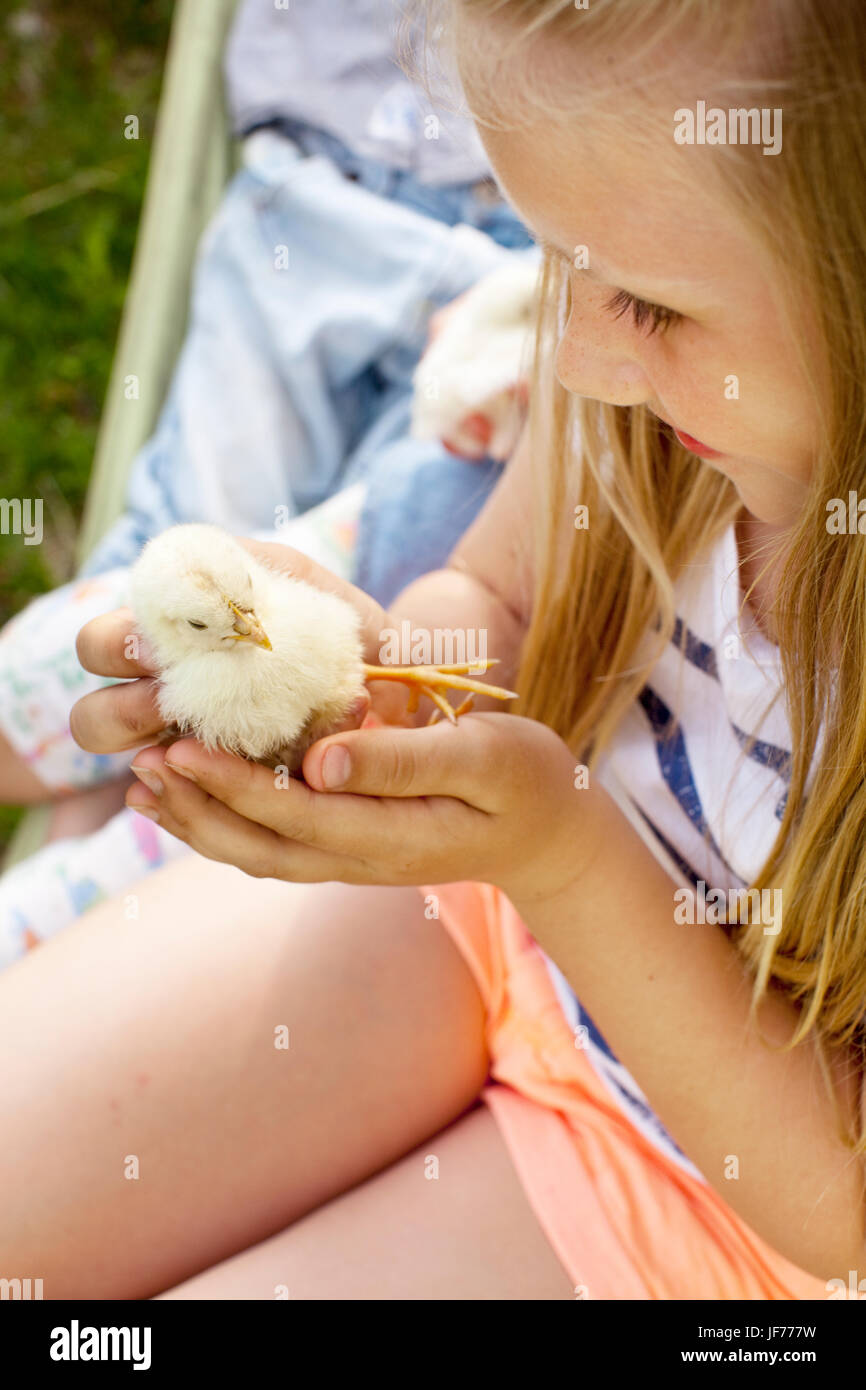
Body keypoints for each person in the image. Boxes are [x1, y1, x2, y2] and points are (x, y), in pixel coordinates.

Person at [1, 0, 860, 1299]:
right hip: (488, 910)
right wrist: (377, 677)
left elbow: (837, 1206)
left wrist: (555, 845)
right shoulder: (639, 388)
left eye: (647, 303)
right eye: (555, 259)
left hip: (726, 1201)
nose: (571, 352)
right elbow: (501, 599)